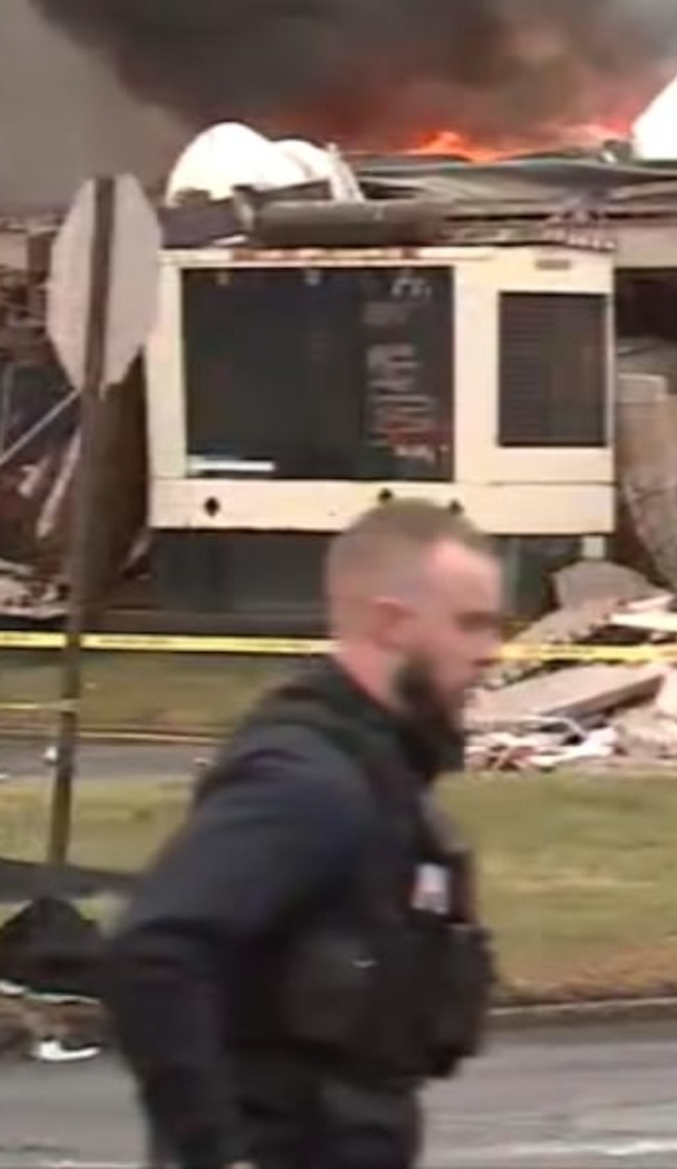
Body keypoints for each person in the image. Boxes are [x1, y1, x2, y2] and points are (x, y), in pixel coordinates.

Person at [103, 501, 503, 1169]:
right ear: (390, 624)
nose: (491, 652)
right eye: (470, 625)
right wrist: (214, 1154)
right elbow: (155, 950)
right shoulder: (306, 782)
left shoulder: (379, 775)